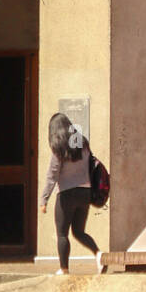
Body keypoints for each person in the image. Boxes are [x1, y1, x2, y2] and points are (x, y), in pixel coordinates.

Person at [40, 113, 105, 275]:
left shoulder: (59, 147)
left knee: (62, 234)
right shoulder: (82, 143)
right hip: (85, 193)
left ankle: (64, 269)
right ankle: (99, 254)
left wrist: (44, 199)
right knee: (79, 232)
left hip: (66, 195)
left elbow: (52, 175)